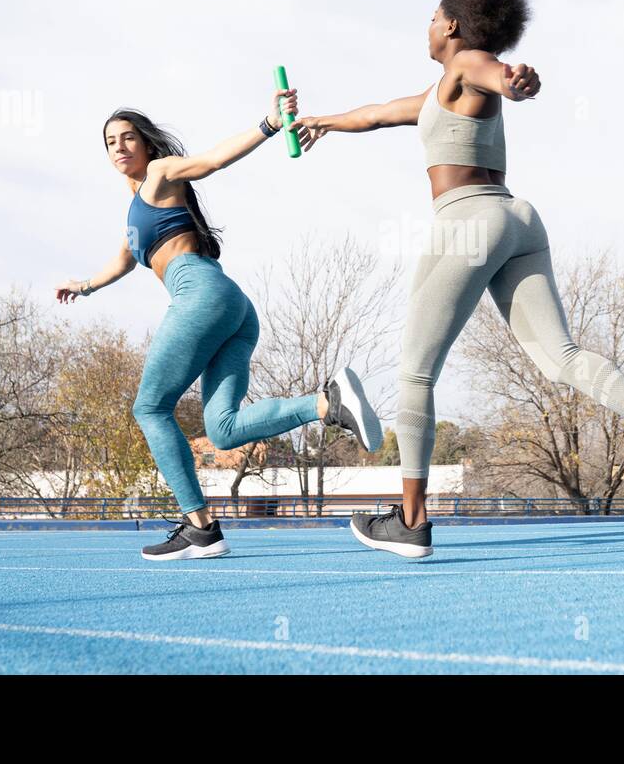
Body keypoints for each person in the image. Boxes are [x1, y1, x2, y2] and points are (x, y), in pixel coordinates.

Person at [294, 0, 624, 558]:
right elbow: (378, 114)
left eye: (435, 15)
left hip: (468, 222)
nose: (428, 23)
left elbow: (496, 73)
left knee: (415, 372)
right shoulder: (437, 92)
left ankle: (410, 520)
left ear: (455, 25)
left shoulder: (467, 64)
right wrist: (323, 122)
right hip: (517, 220)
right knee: (562, 356)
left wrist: (514, 81)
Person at [55, 91, 382, 561]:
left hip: (201, 295)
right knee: (224, 431)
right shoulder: (135, 214)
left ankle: (200, 526)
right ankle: (327, 402)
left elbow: (210, 161)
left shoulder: (161, 174)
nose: (120, 146)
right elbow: (123, 263)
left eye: (128, 137)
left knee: (150, 409)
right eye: (110, 142)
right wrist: (82, 286)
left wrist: (269, 125)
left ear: (146, 145)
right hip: (233, 307)